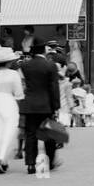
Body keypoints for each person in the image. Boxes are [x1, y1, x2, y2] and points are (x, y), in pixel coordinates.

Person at [20, 46, 61, 175]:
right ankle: (49, 161)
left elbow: (24, 84)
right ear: (44, 51)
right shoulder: (50, 65)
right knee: (49, 134)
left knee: (30, 134)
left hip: (30, 105)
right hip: (45, 104)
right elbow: (54, 87)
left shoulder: (25, 66)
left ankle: (31, 164)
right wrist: (56, 106)